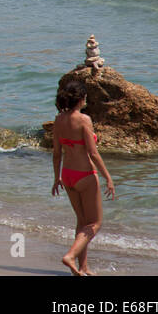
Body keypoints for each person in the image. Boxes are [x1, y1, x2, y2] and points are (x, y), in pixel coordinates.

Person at [51, 78, 115, 276]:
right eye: (85, 96)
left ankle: (83, 268)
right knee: (95, 223)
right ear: (80, 99)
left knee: (81, 221)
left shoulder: (58, 120)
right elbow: (93, 153)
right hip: (85, 175)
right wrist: (108, 178)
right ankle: (70, 256)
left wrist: (56, 178)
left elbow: (56, 152)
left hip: (67, 175)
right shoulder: (84, 120)